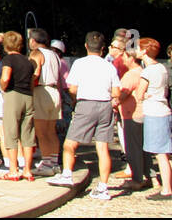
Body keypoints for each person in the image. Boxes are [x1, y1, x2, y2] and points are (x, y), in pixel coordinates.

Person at [48, 31, 123, 201]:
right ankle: (103, 188)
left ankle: (67, 175)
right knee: (103, 148)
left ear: (86, 46)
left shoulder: (80, 64)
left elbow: (72, 88)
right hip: (105, 105)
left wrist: (74, 101)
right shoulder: (109, 66)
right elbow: (116, 91)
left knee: (70, 143)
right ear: (103, 49)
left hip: (86, 103)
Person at [135, 38, 172, 200]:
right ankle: (169, 187)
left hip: (154, 112)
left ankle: (166, 190)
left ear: (144, 51)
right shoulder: (162, 68)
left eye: (138, 48)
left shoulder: (147, 71)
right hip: (164, 111)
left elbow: (139, 94)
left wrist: (144, 95)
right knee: (167, 153)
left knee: (160, 154)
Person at [0, 30, 39, 180]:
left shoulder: (8, 59)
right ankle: (27, 169)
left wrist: (2, 86)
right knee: (27, 134)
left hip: (13, 95)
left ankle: (13, 169)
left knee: (11, 132)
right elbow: (32, 82)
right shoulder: (28, 61)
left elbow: (6, 77)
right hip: (27, 96)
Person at [29, 28, 62, 174]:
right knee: (51, 131)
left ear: (33, 41)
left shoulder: (37, 54)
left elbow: (35, 74)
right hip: (54, 91)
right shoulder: (54, 55)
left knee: (41, 132)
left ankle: (47, 163)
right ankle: (54, 162)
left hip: (41, 90)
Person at [114, 46, 147, 187]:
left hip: (131, 115)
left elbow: (121, 95)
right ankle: (147, 176)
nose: (123, 59)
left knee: (133, 149)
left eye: (125, 56)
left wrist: (113, 102)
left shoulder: (131, 74)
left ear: (132, 58)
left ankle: (137, 179)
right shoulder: (142, 72)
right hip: (141, 114)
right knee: (143, 148)